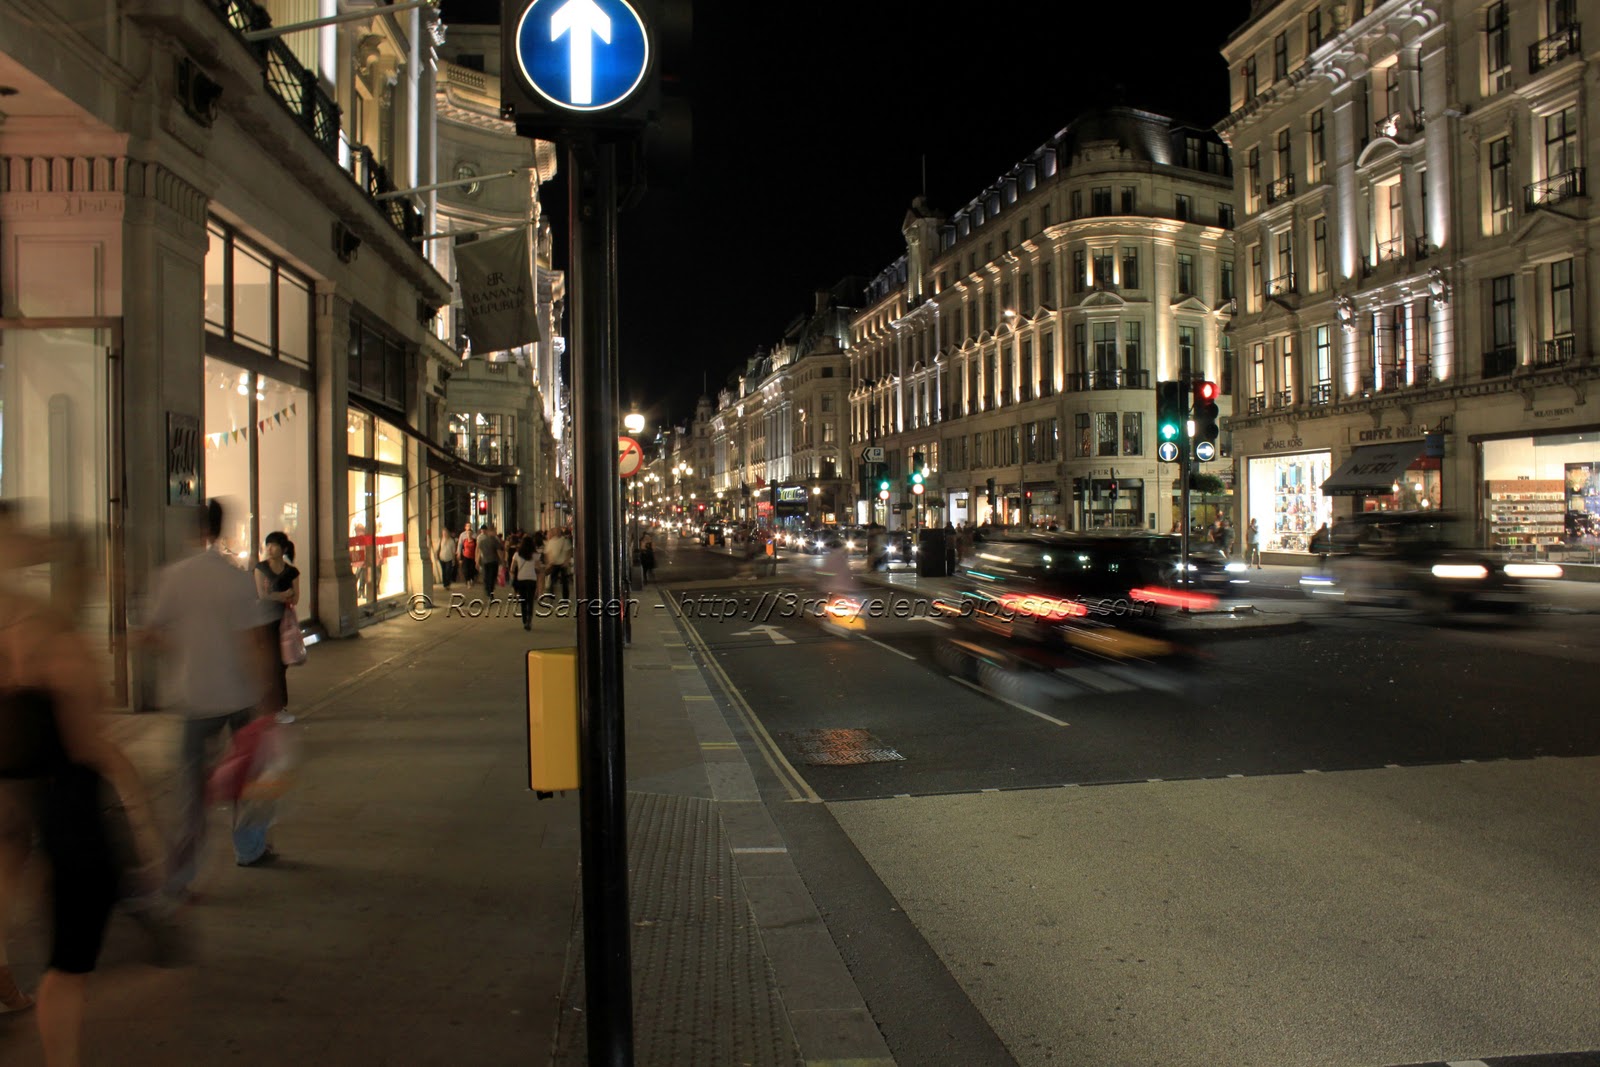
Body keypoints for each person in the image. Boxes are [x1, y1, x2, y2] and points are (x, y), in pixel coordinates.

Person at [2, 518, 168, 1066]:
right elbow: (90, 745)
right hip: (73, 817)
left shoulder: (20, 637)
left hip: (48, 810)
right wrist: (144, 818)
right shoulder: (56, 643)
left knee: (72, 961)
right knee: (69, 968)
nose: (113, 574)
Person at [144, 499, 278, 895]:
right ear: (220, 530)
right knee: (249, 780)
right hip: (238, 695)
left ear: (190, 529)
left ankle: (182, 875)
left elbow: (152, 633)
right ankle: (250, 848)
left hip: (194, 696)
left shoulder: (171, 578)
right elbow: (255, 643)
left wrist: (182, 650)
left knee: (191, 790)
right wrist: (268, 696)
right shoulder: (236, 579)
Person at [254, 532, 300, 725]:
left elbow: (295, 597)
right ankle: (269, 707)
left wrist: (278, 595)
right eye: (267, 545)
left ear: (283, 548)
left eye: (273, 545)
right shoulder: (261, 568)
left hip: (283, 621)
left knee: (281, 664)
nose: (269, 549)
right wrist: (282, 595)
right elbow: (261, 595)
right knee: (268, 664)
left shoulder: (291, 572)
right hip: (263, 621)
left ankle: (278, 706)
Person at [512, 537, 540, 631]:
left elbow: (512, 568)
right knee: (530, 600)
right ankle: (529, 618)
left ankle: (524, 620)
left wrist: (513, 577)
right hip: (532, 579)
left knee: (523, 600)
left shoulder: (516, 554)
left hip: (521, 579)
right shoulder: (535, 555)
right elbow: (537, 568)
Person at [544, 527, 573, 601]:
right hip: (556, 564)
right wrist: (550, 561)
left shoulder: (564, 541)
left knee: (562, 582)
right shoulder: (552, 541)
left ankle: (564, 597)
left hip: (561, 563)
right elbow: (548, 553)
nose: (555, 533)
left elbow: (569, 552)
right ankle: (554, 596)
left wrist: (566, 561)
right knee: (555, 581)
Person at [477, 524, 502, 599]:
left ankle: (487, 589)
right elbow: (499, 552)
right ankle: (490, 592)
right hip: (493, 561)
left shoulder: (482, 541)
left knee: (486, 576)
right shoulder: (495, 540)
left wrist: (477, 561)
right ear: (491, 531)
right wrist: (502, 561)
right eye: (494, 530)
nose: (495, 532)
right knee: (492, 577)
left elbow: (479, 552)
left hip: (484, 561)